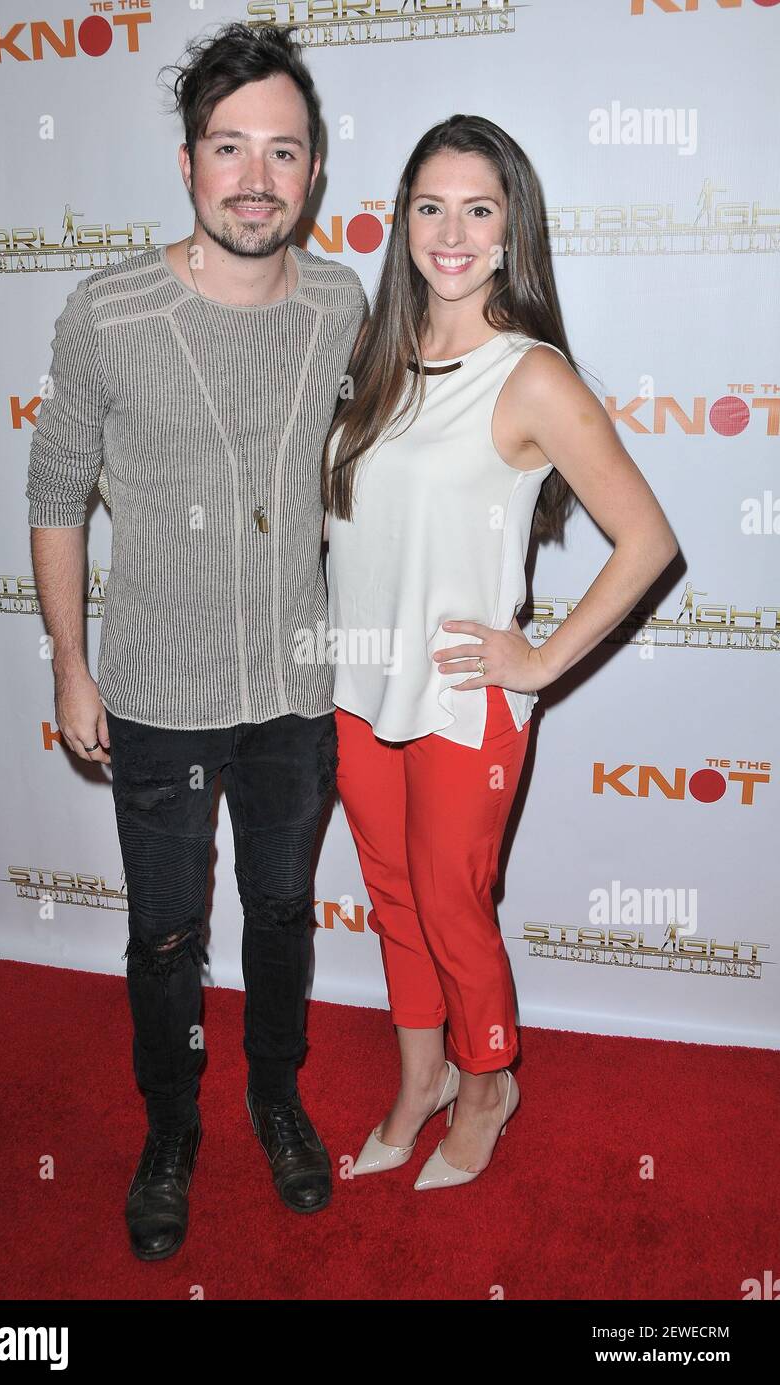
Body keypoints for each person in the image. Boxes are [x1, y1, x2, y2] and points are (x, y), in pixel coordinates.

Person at [26, 23, 366, 1258]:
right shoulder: (108, 308)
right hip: (157, 688)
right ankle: (170, 1127)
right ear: (186, 163)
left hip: (293, 686)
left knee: (280, 911)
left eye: (282, 151)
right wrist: (69, 662)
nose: (255, 179)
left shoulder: (339, 298)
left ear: (314, 169)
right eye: (231, 148)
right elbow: (56, 487)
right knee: (164, 933)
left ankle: (276, 1098)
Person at [322, 115, 679, 1191]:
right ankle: (420, 1075)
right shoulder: (373, 360)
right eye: (429, 205)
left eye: (478, 209)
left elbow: (647, 540)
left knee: (448, 907)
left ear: (510, 228)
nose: (450, 230)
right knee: (391, 899)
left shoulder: (528, 375)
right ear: (403, 221)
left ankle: (488, 1086)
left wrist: (538, 660)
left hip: (460, 701)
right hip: (352, 684)